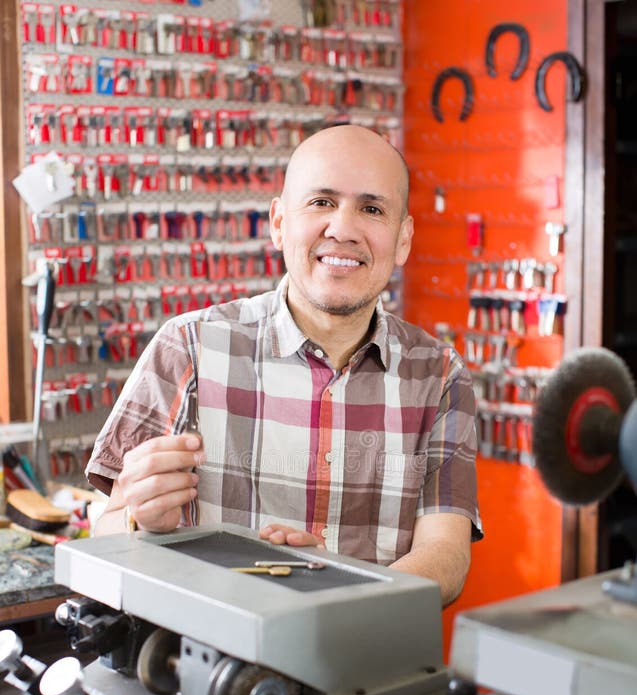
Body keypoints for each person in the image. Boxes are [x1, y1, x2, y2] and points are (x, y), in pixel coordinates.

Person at [87, 124, 482, 607]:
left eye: (372, 209)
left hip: (361, 667)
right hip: (205, 664)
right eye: (320, 202)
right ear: (279, 223)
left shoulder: (438, 377)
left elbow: (445, 555)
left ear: (402, 239)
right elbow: (104, 525)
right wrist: (135, 521)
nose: (342, 228)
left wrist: (332, 593)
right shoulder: (189, 348)